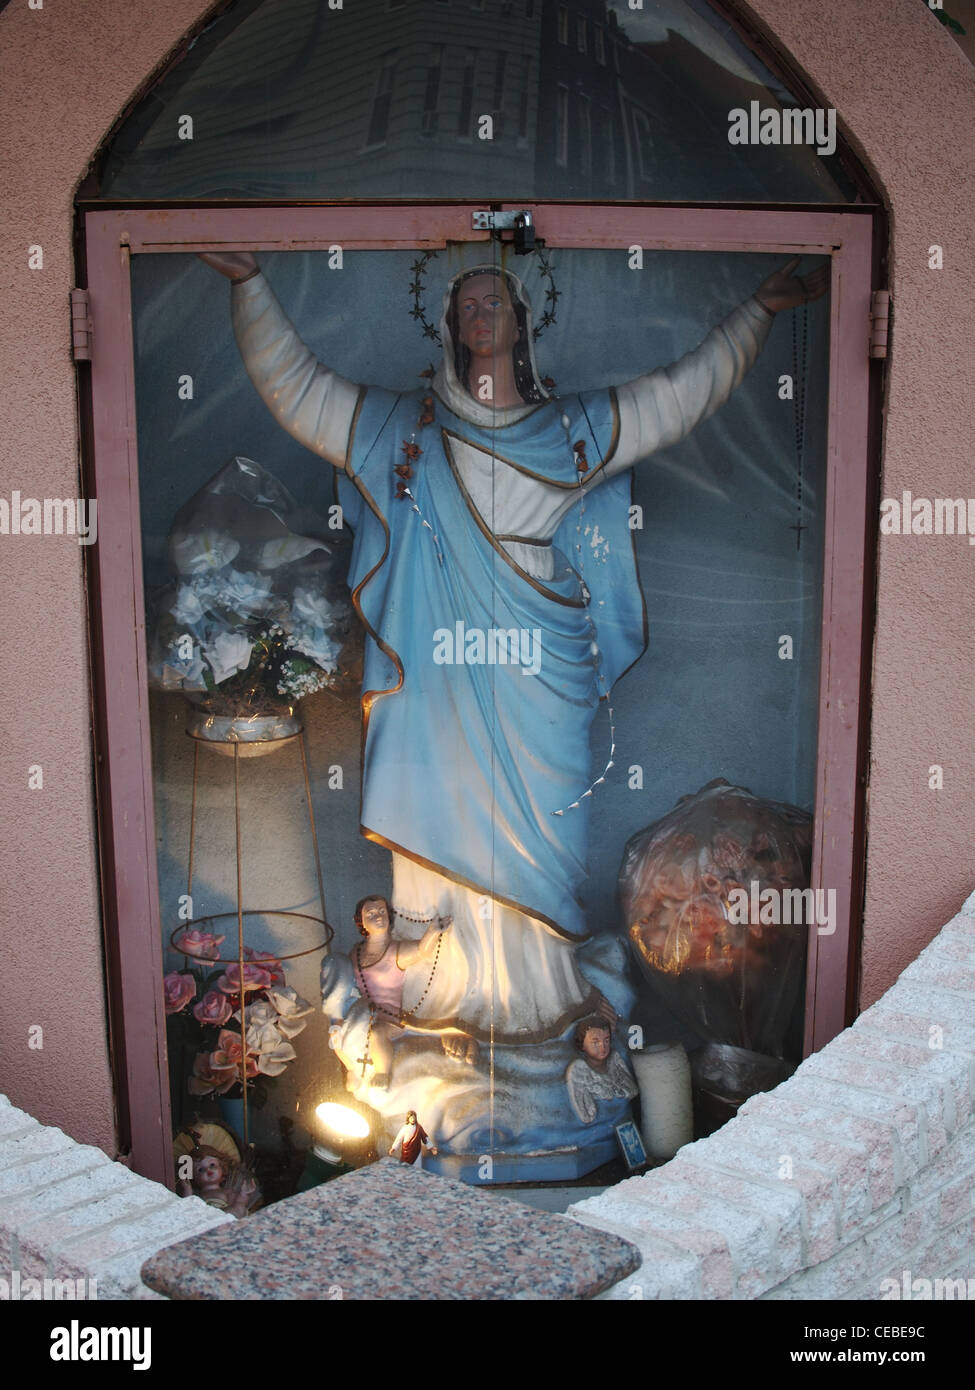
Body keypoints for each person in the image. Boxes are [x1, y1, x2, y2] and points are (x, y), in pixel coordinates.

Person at [200, 247, 825, 1061]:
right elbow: (300, 389)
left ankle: (538, 993)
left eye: (496, 302)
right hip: (437, 668)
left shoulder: (569, 432)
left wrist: (758, 313)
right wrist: (251, 286)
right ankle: (446, 995)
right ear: (450, 326)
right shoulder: (401, 431)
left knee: (543, 841)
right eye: (466, 304)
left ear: (523, 324)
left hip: (542, 662)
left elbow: (674, 398)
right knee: (438, 814)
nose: (480, 315)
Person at [565, 1016, 638, 1126]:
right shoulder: (578, 1069)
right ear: (582, 1044)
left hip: (626, 1130)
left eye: (606, 1040)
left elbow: (633, 1091)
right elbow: (586, 1116)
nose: (602, 1047)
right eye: (595, 1042)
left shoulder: (614, 1059)